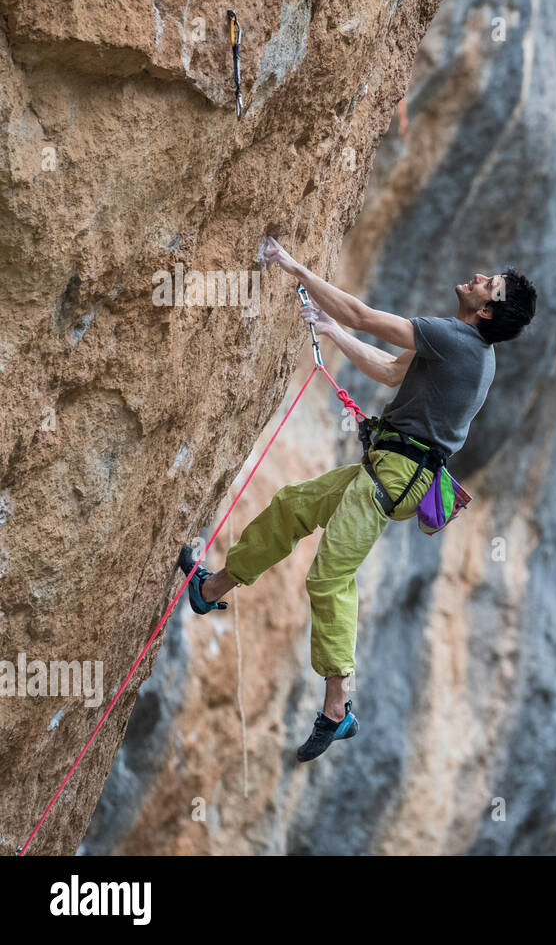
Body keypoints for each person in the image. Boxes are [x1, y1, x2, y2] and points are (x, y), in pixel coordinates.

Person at [177, 237, 537, 761]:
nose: (480, 274)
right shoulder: (462, 347)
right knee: (294, 505)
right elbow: (392, 370)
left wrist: (292, 265)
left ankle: (336, 708)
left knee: (329, 577)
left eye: (490, 284)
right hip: (391, 469)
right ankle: (210, 587)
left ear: (485, 309)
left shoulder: (456, 340)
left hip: (396, 475)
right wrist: (332, 332)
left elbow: (363, 314)